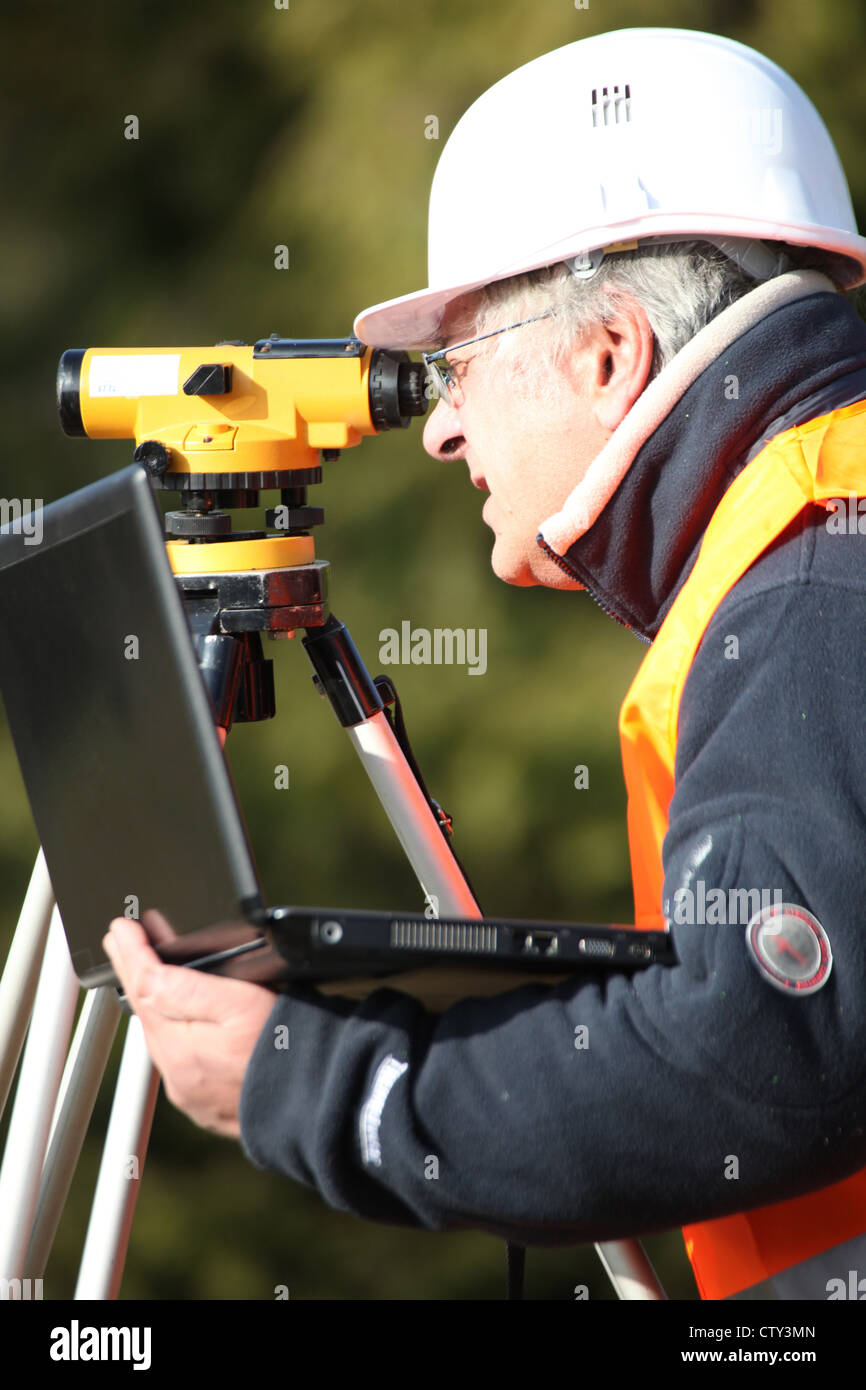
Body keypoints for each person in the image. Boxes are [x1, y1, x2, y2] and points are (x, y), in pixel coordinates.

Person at [104, 27, 866, 1300]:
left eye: (454, 368)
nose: (441, 427)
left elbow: (761, 1038)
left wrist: (312, 1083)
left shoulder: (809, 581)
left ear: (607, 352)